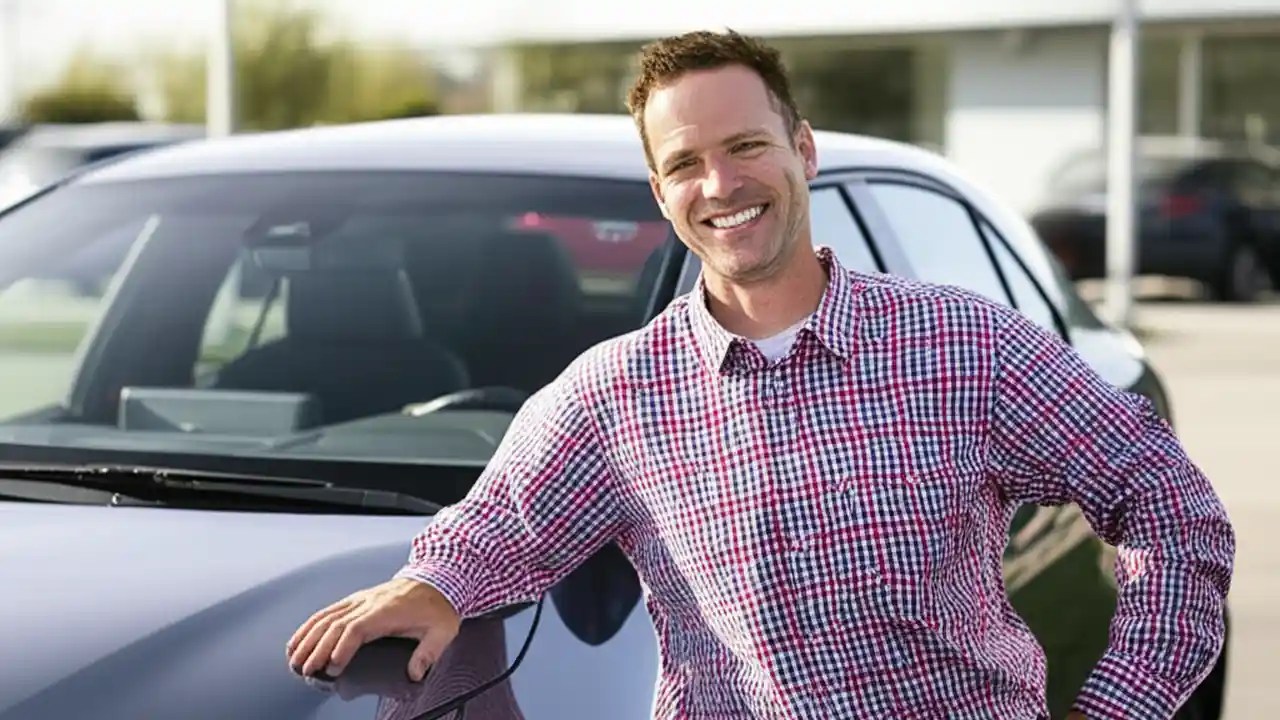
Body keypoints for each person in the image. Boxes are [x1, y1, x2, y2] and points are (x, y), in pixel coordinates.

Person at [287, 29, 1235, 719]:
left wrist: (1119, 709)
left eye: (745, 146)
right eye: (686, 163)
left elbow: (1172, 507)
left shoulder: (967, 347)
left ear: (802, 150)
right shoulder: (614, 393)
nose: (721, 184)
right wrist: (433, 586)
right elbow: (499, 525)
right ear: (661, 195)